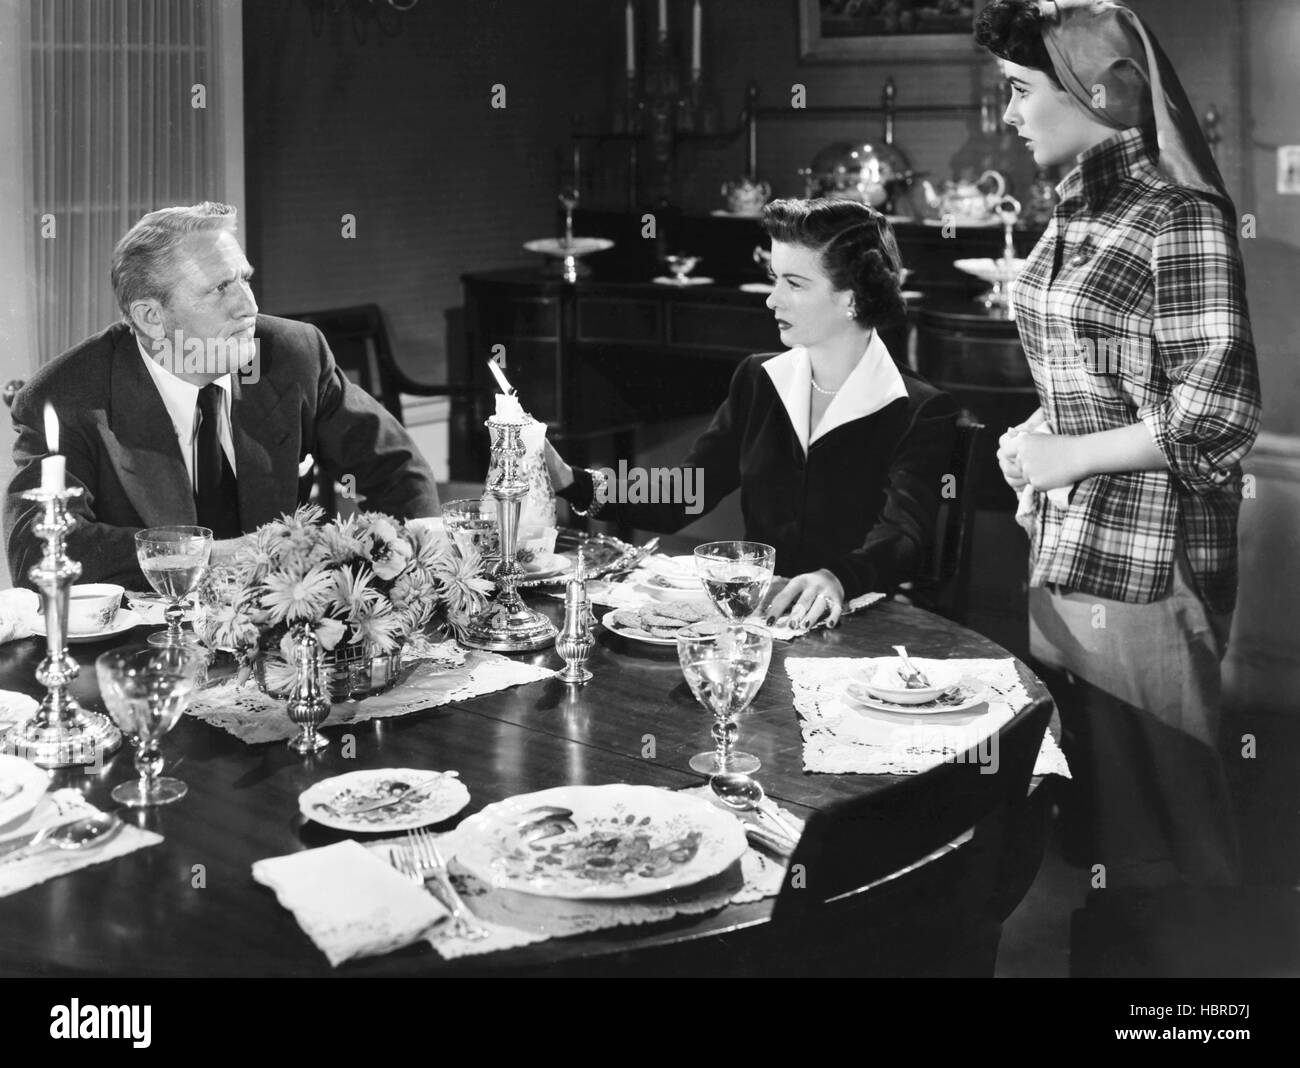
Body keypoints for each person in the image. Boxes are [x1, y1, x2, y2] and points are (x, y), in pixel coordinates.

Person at [975, 1, 1261, 887]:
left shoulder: (1179, 217)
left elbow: (1218, 412)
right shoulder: (1070, 214)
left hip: (1148, 566)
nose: (1010, 116)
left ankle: (1203, 1018)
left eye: (1021, 92)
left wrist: (1072, 456)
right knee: (1090, 833)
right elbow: (1088, 380)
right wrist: (1035, 432)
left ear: (1094, 93)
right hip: (1062, 550)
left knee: (1170, 835)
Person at [545, 198, 958, 628]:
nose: (772, 300)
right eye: (773, 280)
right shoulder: (760, 379)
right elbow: (688, 489)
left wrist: (837, 578)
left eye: (794, 284)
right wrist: (573, 481)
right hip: (760, 622)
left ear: (851, 298)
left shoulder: (918, 409)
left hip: (862, 623)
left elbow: (903, 538)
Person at [5, 202, 439, 589]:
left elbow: (396, 471)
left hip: (278, 631)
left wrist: (393, 576)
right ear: (151, 317)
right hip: (148, 646)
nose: (248, 305)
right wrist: (213, 558)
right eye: (219, 289)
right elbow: (39, 551)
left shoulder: (291, 354)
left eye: (245, 280)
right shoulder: (66, 398)